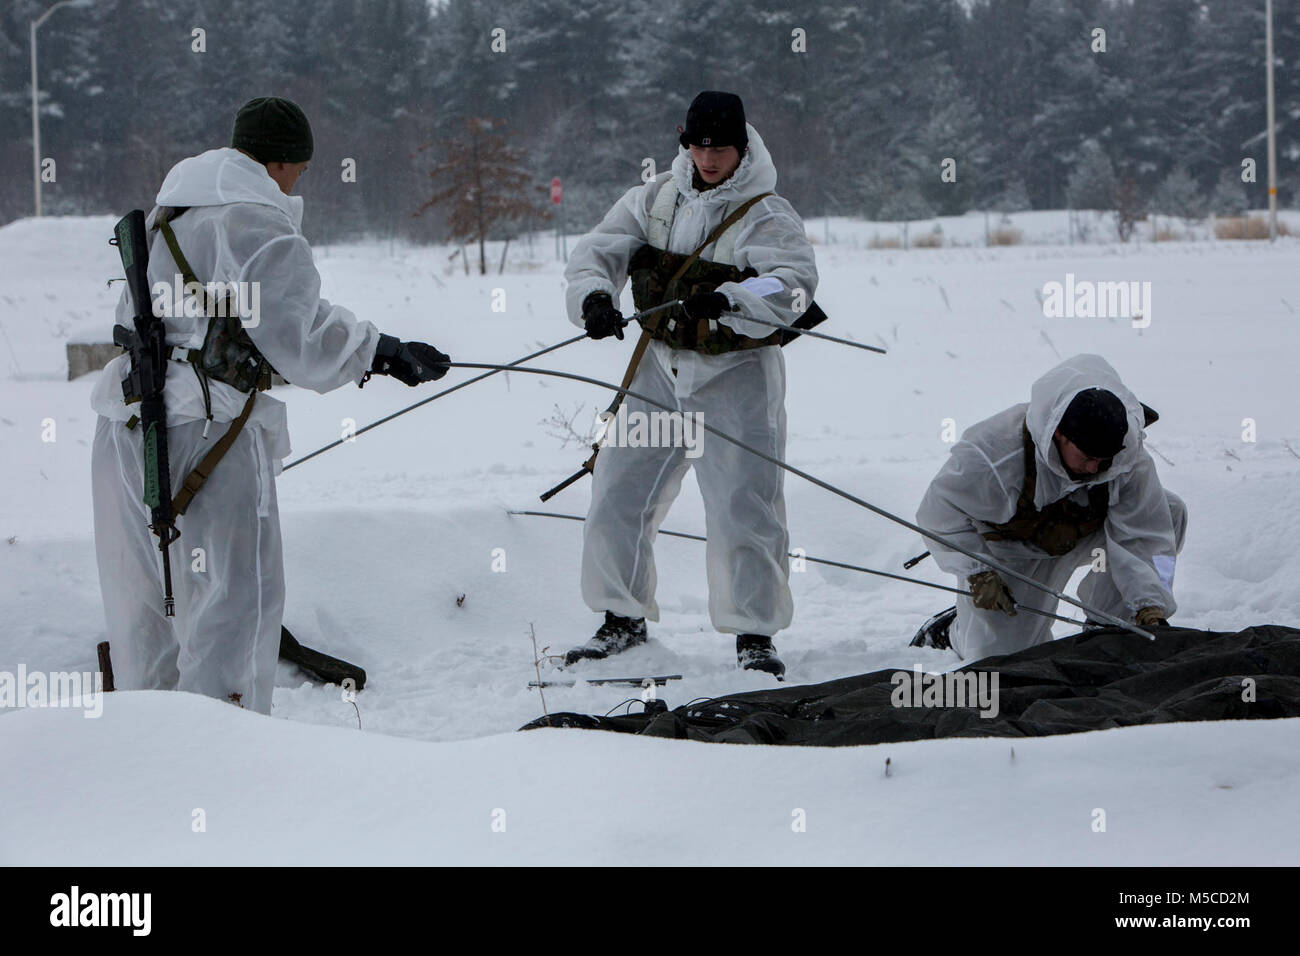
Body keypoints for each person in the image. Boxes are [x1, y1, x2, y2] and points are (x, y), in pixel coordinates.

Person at [91, 97, 450, 714]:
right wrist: (381, 351)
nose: (298, 183)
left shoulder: (165, 217)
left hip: (125, 428)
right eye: (300, 171)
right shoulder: (256, 221)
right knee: (233, 609)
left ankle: (147, 756)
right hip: (207, 437)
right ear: (284, 163)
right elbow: (300, 337)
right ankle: (232, 764)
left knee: (143, 613)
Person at [561, 91, 818, 679]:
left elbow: (795, 285)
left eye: (719, 147)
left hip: (736, 381)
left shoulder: (766, 213)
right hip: (658, 369)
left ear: (741, 146)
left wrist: (732, 298)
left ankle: (754, 635)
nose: (707, 158)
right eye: (697, 145)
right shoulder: (653, 199)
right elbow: (595, 253)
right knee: (617, 489)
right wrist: (594, 298)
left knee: (742, 507)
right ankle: (620, 621)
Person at [911, 354, 1187, 661]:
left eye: (1104, 458)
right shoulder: (992, 455)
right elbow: (937, 514)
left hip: (1086, 537)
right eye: (1086, 456)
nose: (1096, 467)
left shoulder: (1125, 457)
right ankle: (956, 630)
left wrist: (1148, 603)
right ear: (1059, 434)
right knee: (1004, 659)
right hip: (1013, 553)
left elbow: (1143, 533)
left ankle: (1109, 625)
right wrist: (979, 573)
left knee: (1170, 509)